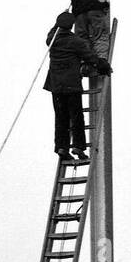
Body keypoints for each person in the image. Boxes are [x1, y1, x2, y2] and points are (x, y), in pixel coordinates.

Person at [43, 11, 111, 162]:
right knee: (76, 116)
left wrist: (59, 20)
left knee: (61, 117)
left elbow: (52, 32)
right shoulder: (76, 42)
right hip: (71, 85)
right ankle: (78, 147)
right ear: (71, 26)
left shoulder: (52, 40)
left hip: (56, 86)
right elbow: (90, 57)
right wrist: (103, 65)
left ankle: (62, 147)